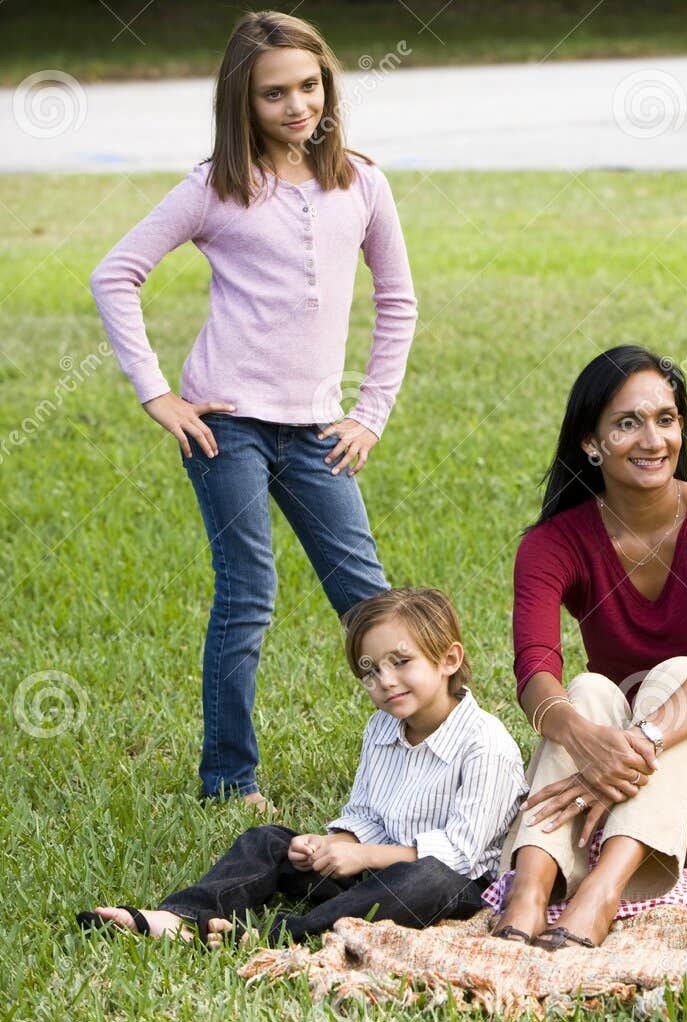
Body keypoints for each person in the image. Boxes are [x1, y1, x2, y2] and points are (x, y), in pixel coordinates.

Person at [90, 10, 417, 810]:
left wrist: (370, 413)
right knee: (248, 595)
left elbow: (398, 302)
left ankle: (428, 749)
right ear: (243, 100)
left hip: (317, 431)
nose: (297, 105)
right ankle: (229, 779)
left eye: (309, 86)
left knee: (370, 598)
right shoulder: (215, 187)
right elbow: (115, 274)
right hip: (225, 426)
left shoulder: (361, 184)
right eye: (275, 93)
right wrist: (158, 393)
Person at [491, 346, 687, 950]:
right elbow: (534, 667)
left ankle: (603, 890)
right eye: (628, 423)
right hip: (631, 796)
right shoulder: (552, 543)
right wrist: (584, 738)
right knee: (585, 692)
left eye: (666, 419)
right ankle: (529, 889)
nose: (653, 439)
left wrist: (644, 738)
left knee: (677, 674)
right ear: (591, 442)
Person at [78, 588, 525, 944]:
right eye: (369, 671)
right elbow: (366, 813)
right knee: (268, 840)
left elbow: (461, 856)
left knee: (425, 879)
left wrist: (363, 855)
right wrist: (331, 845)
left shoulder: (485, 744)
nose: (385, 681)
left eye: (401, 662)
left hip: (451, 889)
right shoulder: (383, 727)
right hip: (373, 872)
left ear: (448, 659)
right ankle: (182, 914)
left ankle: (285, 934)